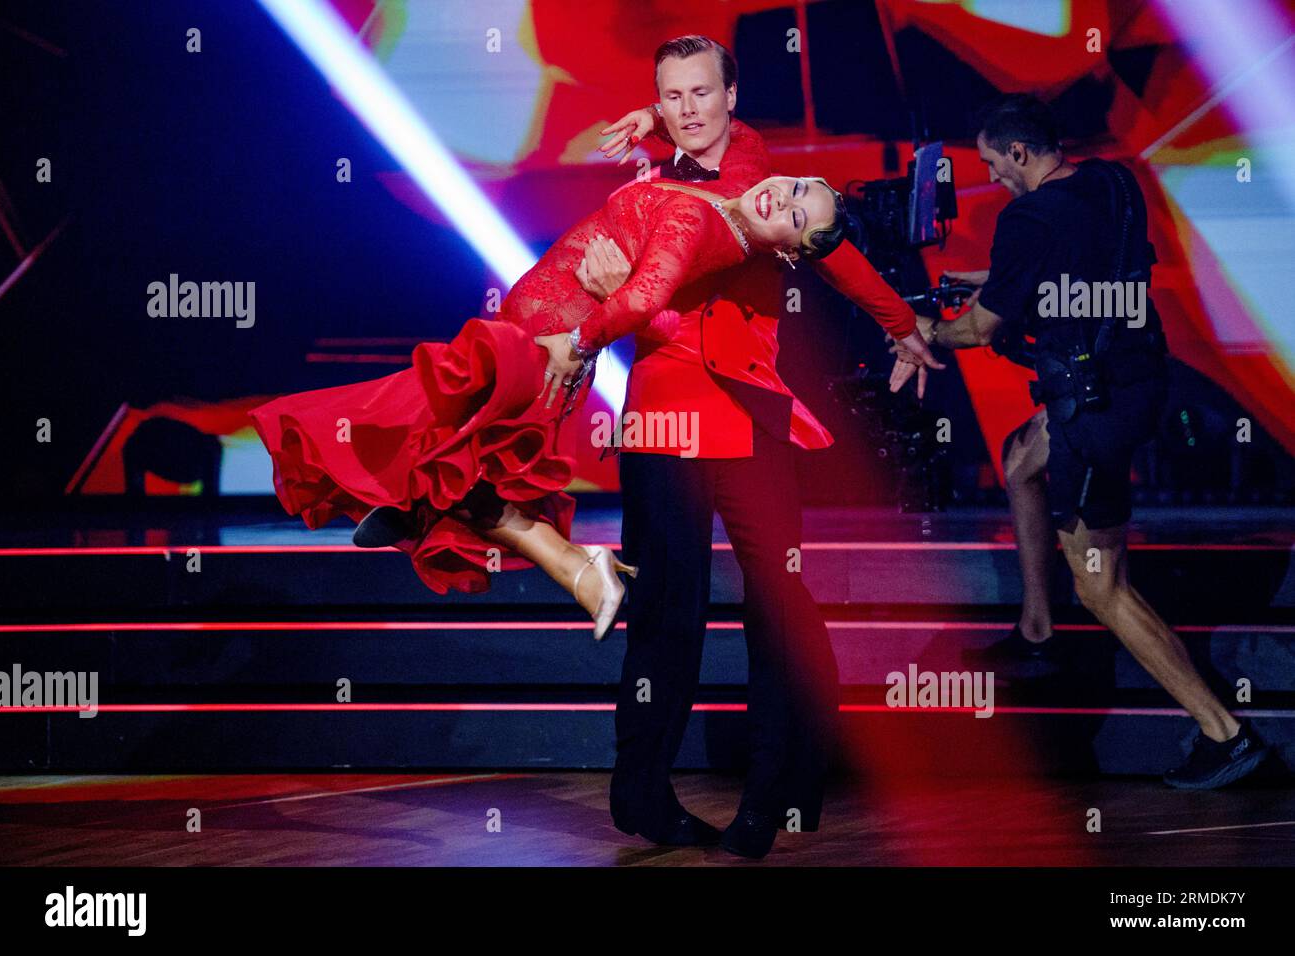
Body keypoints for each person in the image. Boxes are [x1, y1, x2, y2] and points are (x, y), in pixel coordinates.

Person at [584, 35, 941, 857]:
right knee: (663, 618)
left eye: (701, 92)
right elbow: (614, 294)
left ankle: (773, 796)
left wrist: (900, 324)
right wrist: (612, 300)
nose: (688, 109)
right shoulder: (647, 185)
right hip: (661, 423)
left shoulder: (759, 170)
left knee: (778, 606)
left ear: (731, 97)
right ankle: (641, 794)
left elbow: (835, 251)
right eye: (671, 95)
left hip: (749, 420)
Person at [248, 171, 854, 645]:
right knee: (448, 453)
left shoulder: (704, 224)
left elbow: (646, 295)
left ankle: (520, 547)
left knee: (398, 421)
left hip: (541, 349)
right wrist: (652, 114)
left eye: (797, 217)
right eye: (796, 186)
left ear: (789, 254)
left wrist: (584, 341)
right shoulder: (728, 197)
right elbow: (732, 135)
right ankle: (546, 558)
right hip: (534, 335)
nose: (784, 199)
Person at [894, 93, 1269, 789]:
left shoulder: (1027, 216)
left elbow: (981, 331)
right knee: (1019, 458)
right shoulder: (1109, 182)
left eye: (992, 163)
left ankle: (1227, 733)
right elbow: (1078, 269)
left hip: (1092, 408)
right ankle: (1037, 630)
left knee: (1103, 588)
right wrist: (988, 282)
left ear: (1020, 153)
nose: (992, 176)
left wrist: (914, 335)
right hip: (1136, 376)